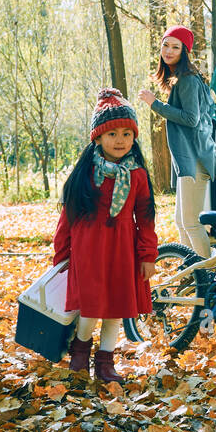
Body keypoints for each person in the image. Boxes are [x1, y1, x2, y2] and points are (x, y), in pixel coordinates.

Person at [54, 89, 159, 384]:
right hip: (89, 249)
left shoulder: (136, 174)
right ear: (97, 138)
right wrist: (61, 254)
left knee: (116, 307)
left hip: (122, 249)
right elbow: (68, 216)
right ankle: (79, 351)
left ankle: (105, 361)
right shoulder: (85, 174)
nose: (120, 140)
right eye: (113, 133)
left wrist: (148, 255)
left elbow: (146, 218)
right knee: (91, 305)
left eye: (127, 133)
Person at [138, 25, 216, 258]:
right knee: (182, 222)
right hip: (189, 158)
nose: (169, 51)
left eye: (176, 47)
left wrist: (156, 104)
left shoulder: (188, 79)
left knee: (192, 223)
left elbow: (191, 119)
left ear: (185, 51)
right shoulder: (180, 78)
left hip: (197, 158)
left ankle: (207, 277)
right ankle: (190, 274)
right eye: (166, 45)